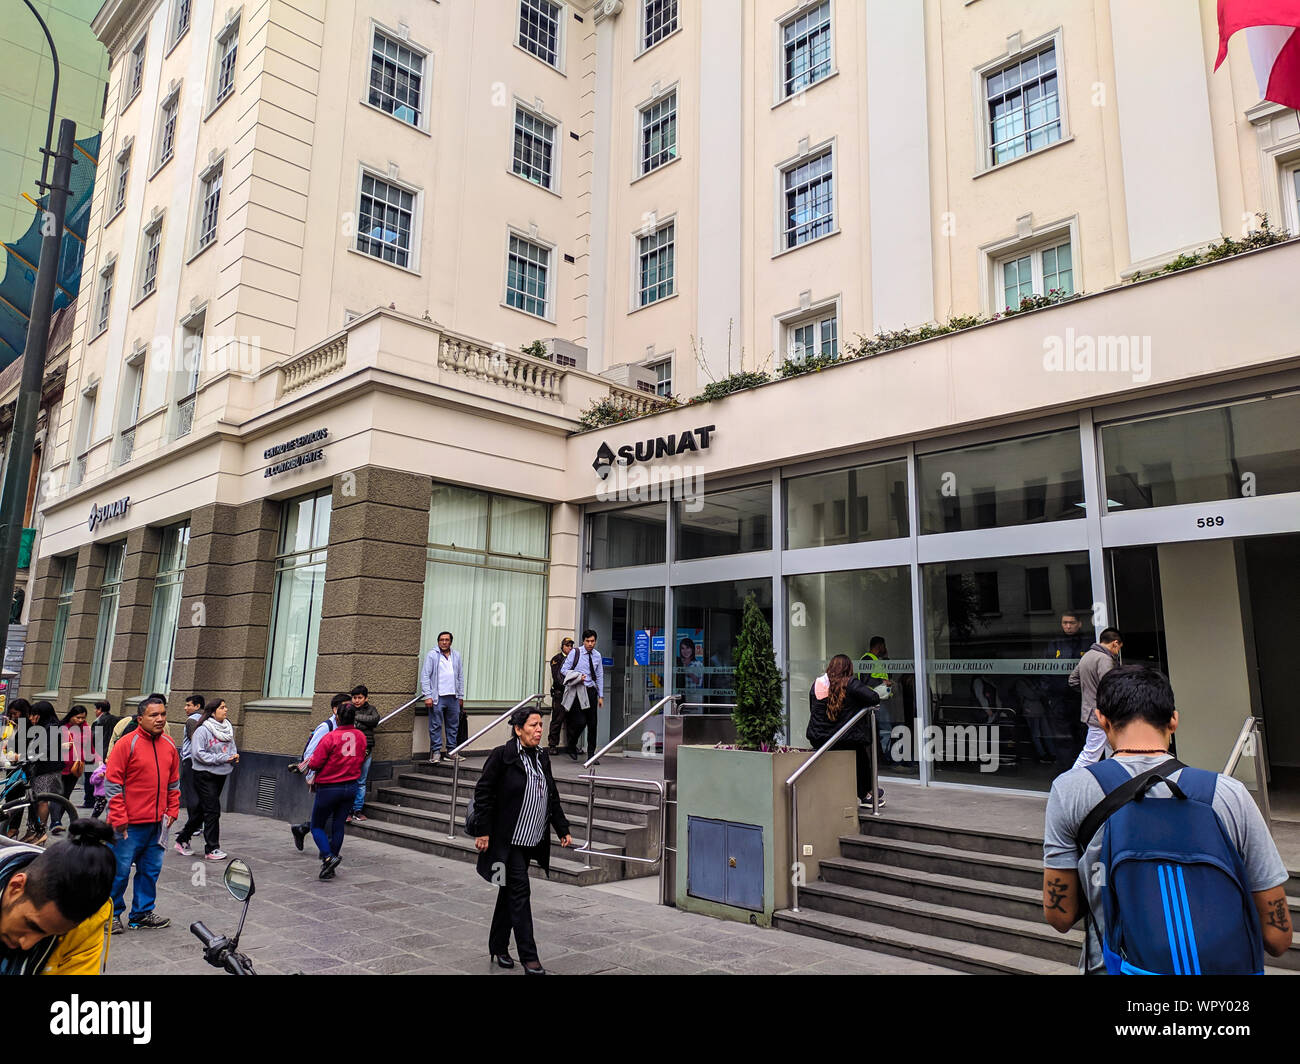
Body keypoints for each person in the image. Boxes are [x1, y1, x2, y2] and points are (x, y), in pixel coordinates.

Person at [1043, 666, 1292, 973]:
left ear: (1102, 720)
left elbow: (1060, 916)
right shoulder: (1229, 794)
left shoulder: (1071, 790)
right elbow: (1278, 938)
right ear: (1174, 720)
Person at [472, 706, 572, 974]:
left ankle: (498, 946)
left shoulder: (542, 757)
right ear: (518, 729)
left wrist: (562, 828)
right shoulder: (502, 756)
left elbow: (551, 794)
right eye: (533, 725)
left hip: (531, 838)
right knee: (520, 892)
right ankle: (530, 957)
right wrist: (483, 830)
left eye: (540, 725)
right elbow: (483, 793)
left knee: (508, 892)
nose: (539, 730)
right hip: (507, 840)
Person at [0, 818, 117, 974]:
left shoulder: (86, 922)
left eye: (51, 935)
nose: (27, 944)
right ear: (16, 887)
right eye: (32, 925)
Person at [104, 694, 179, 934]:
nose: (160, 719)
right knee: (119, 872)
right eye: (153, 715)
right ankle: (110, 915)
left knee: (150, 870)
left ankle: (142, 914)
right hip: (128, 825)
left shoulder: (169, 745)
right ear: (140, 719)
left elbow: (174, 783)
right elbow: (112, 784)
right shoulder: (126, 744)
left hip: (157, 824)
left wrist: (173, 809)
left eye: (163, 714)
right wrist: (119, 817)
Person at [807, 654, 885, 809]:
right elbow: (874, 697)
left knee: (858, 756)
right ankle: (866, 794)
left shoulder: (817, 683)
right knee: (861, 758)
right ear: (848, 668)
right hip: (843, 738)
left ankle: (868, 791)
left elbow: (812, 708)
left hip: (818, 738)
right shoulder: (850, 683)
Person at [304, 702, 367, 880]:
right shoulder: (361, 736)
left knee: (317, 825)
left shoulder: (330, 737)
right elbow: (362, 757)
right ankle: (329, 867)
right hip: (351, 785)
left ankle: (328, 857)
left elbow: (315, 763)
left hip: (329, 786)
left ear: (337, 717)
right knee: (338, 825)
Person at [176, 699, 238, 861]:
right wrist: (222, 758)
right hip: (204, 774)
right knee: (212, 810)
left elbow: (231, 748)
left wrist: (233, 756)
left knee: (203, 810)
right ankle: (212, 848)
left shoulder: (227, 728)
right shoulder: (202, 730)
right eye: (222, 707)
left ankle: (182, 838)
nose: (226, 710)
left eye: (225, 707)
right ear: (212, 711)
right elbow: (198, 753)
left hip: (221, 773)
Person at [288, 692, 348, 851]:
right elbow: (310, 752)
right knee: (327, 815)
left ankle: (303, 829)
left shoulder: (347, 728)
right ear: (335, 709)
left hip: (339, 778)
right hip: (324, 778)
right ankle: (327, 852)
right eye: (345, 706)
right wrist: (311, 776)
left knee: (327, 814)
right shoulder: (326, 727)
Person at [1069, 628, 1122, 769]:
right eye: (1119, 648)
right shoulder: (1105, 659)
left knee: (1119, 750)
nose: (1118, 652)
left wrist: (1089, 692)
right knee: (1090, 755)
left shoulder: (1087, 656)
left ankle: (1119, 777)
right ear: (1115, 643)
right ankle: (1072, 779)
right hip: (1102, 714)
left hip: (1091, 712)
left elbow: (1073, 680)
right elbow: (1109, 687)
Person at [1043, 612, 1090, 765]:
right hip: (1059, 698)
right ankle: (1066, 768)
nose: (1068, 626)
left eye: (1072, 623)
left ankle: (1083, 767)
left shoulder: (1087, 642)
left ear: (1079, 624)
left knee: (1083, 734)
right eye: (1065, 623)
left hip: (1081, 698)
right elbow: (1046, 668)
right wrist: (1048, 694)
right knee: (1062, 736)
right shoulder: (1056, 643)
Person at [21, 701, 63, 844]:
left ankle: (41, 833)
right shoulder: (43, 727)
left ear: (42, 715)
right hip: (39, 769)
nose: (31, 718)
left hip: (47, 770)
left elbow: (45, 750)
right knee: (34, 800)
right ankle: (32, 831)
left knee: (42, 800)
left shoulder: (53, 728)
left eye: (34, 715)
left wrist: (25, 756)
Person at [420, 631, 465, 764]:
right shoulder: (432, 655)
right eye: (441, 640)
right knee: (435, 725)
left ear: (450, 642)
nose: (444, 642)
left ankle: (451, 752)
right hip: (437, 697)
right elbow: (425, 676)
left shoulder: (456, 655)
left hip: (453, 697)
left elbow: (460, 677)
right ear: (438, 642)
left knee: (453, 725)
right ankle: (436, 752)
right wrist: (428, 695)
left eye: (446, 640)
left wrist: (460, 695)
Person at [560, 629, 604, 763]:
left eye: (592, 641)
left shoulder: (597, 655)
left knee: (593, 724)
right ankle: (572, 744)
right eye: (587, 641)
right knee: (580, 722)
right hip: (578, 690)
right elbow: (563, 670)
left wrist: (600, 695)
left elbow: (600, 675)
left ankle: (591, 755)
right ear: (583, 641)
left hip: (591, 691)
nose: (590, 644)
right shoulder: (575, 652)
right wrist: (578, 676)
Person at [49, 706, 90, 834]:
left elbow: (90, 747)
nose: (80, 720)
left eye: (83, 718)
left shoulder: (86, 729)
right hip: (60, 766)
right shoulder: (61, 727)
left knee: (66, 796)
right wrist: (61, 746)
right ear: (71, 716)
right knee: (57, 795)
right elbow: (50, 745)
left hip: (75, 768)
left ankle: (56, 822)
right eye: (78, 717)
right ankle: (55, 822)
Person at [174, 695, 206, 848]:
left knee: (191, 793)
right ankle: (197, 824)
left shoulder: (192, 720)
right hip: (201, 761)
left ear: (197, 706)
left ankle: (194, 825)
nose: (185, 708)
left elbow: (195, 741)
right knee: (198, 793)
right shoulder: (206, 719)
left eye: (189, 705)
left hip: (191, 760)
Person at [349, 685, 379, 822]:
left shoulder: (371, 709)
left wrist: (357, 718)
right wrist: (365, 723)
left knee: (361, 781)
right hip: (350, 749)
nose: (356, 700)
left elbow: (375, 720)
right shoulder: (348, 708)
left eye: (360, 697)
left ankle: (357, 809)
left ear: (366, 698)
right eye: (354, 697)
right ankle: (347, 809)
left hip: (366, 749)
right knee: (350, 779)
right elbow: (350, 724)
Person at [545, 637, 575, 756]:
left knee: (572, 721)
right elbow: (557, 677)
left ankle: (572, 746)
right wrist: (568, 684)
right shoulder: (557, 659)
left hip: (571, 693)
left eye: (571, 646)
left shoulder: (574, 659)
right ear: (562, 646)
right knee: (557, 719)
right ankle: (552, 745)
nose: (569, 648)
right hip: (560, 693)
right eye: (567, 645)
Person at [83, 701, 113, 808]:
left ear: (100, 709)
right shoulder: (114, 719)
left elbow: (94, 739)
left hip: (97, 753)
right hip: (107, 753)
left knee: (91, 777)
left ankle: (89, 801)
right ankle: (100, 799)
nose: (94, 711)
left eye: (95, 709)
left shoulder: (98, 721)